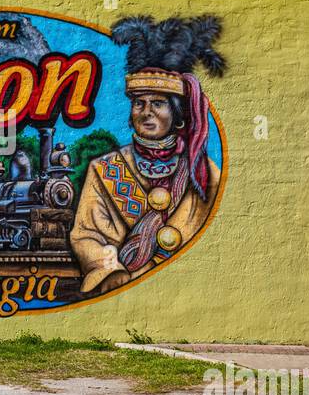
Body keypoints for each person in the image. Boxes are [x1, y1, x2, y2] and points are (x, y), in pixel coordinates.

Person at [70, 15, 225, 294]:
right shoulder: (105, 169)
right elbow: (86, 235)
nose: (146, 112)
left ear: (177, 115)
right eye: (139, 103)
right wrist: (108, 266)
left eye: (157, 103)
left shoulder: (202, 174)